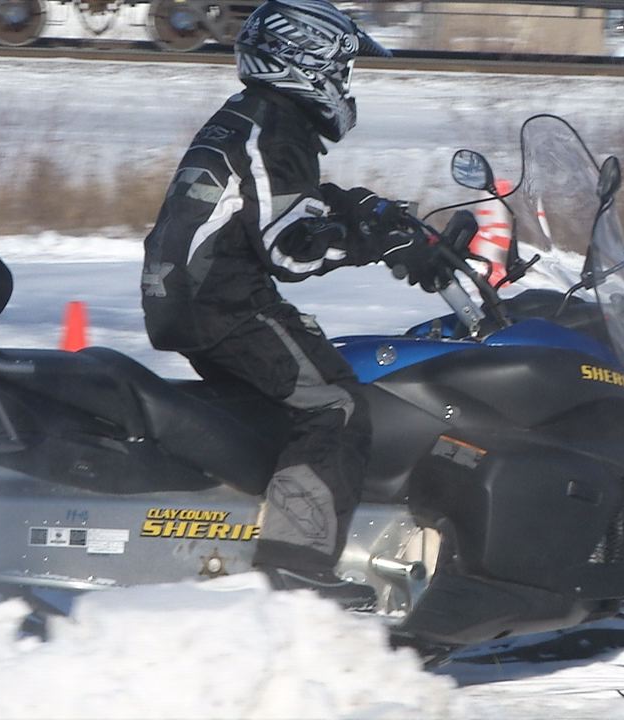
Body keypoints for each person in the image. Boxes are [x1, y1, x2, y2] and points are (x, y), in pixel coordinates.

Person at [140, 0, 451, 608]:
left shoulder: (253, 118)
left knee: (288, 398)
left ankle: (260, 522)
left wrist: (371, 211)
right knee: (334, 404)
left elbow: (283, 202)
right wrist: (376, 240)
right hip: (223, 305)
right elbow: (293, 249)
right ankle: (295, 567)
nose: (344, 84)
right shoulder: (277, 128)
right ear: (305, 63)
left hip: (190, 296)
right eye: (342, 69)